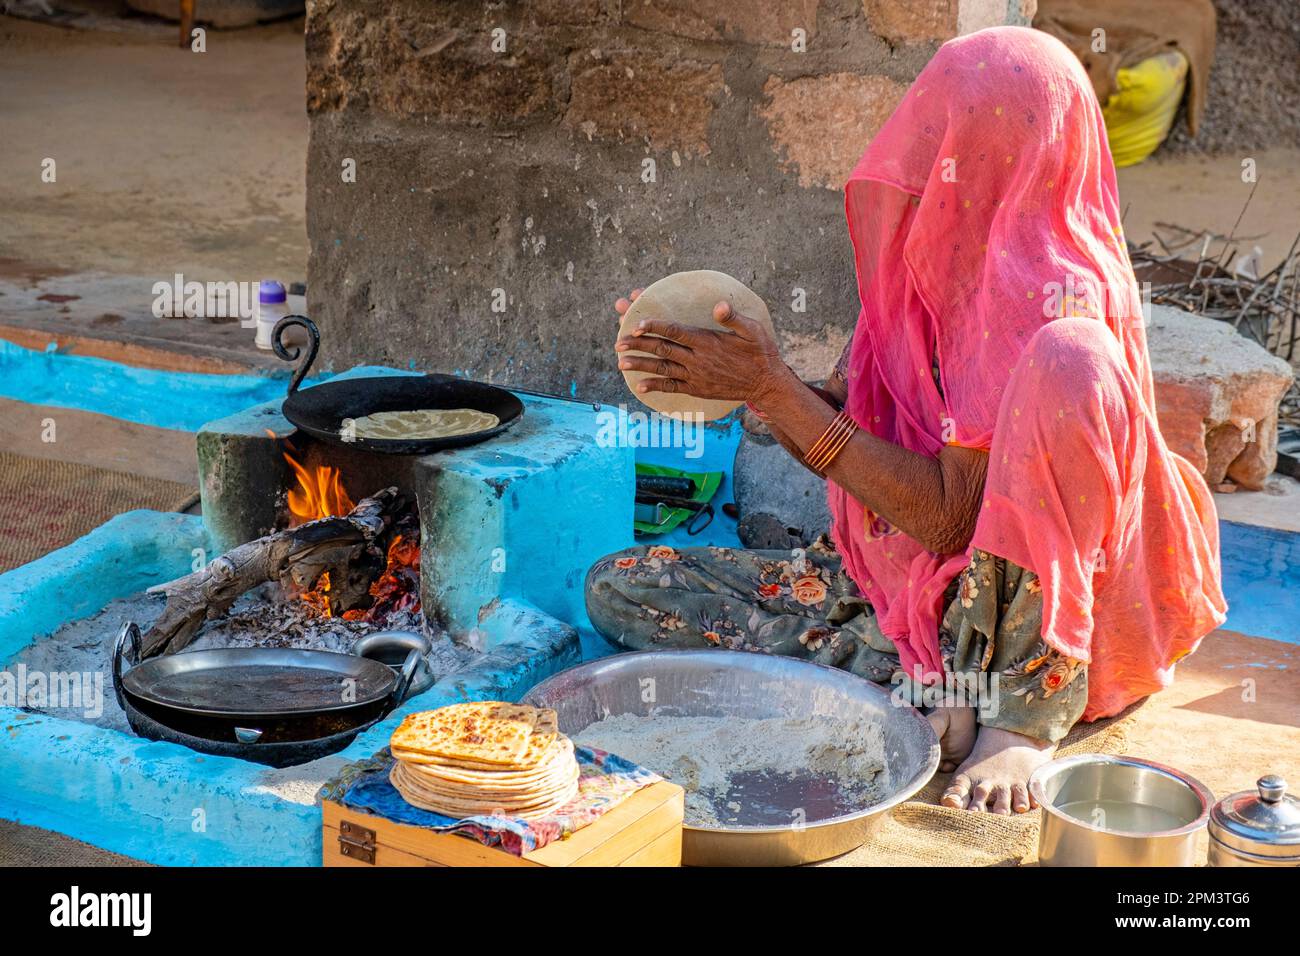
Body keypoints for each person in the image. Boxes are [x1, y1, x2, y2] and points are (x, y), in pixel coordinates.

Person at [585, 26, 1226, 815]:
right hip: (909, 593)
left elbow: (953, 519)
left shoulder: (1063, 310)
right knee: (619, 589)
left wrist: (776, 387)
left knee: (1073, 362)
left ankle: (1014, 721)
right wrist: (744, 376)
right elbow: (855, 456)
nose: (928, 163)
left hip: (1038, 620)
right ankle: (929, 682)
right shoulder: (930, 276)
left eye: (951, 138)